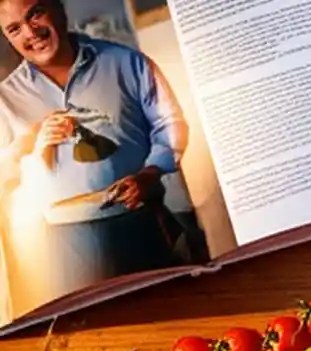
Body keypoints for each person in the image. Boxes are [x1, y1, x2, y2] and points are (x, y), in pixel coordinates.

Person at [0, 0, 189, 297]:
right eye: (14, 28)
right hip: (61, 246)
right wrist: (32, 140)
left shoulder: (128, 63)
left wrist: (149, 174)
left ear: (59, 8)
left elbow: (169, 124)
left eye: (35, 13)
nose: (31, 32)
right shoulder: (5, 99)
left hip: (139, 221)